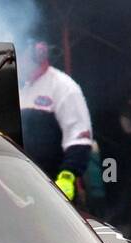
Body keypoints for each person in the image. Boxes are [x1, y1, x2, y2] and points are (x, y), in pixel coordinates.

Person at [19, 41, 95, 204]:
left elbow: (79, 138)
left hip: (56, 187)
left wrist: (67, 176)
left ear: (36, 55)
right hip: (24, 187)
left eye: (19, 53)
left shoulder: (63, 86)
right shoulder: (21, 90)